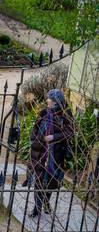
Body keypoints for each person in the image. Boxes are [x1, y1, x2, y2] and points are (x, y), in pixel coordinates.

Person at [28, 88, 74, 219]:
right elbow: (35, 128)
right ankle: (36, 209)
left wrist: (53, 137)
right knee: (38, 181)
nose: (47, 100)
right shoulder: (43, 112)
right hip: (39, 152)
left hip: (55, 155)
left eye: (50, 99)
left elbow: (69, 132)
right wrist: (34, 140)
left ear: (56, 102)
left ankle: (46, 202)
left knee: (50, 182)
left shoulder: (65, 115)